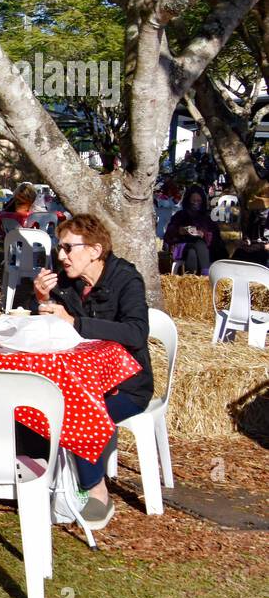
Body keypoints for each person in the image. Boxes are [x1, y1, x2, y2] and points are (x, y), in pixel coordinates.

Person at [26, 214, 152, 530]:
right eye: (60, 248)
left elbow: (136, 333)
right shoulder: (67, 283)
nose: (60, 256)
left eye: (69, 248)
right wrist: (41, 299)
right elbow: (45, 330)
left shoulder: (126, 279)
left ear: (94, 250)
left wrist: (75, 322)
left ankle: (96, 491)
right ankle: (38, 480)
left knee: (76, 412)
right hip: (77, 382)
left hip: (126, 385)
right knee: (36, 404)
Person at [163, 185, 226, 275]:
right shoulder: (180, 215)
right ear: (188, 201)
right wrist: (180, 230)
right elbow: (168, 236)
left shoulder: (207, 218)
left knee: (193, 250)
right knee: (196, 245)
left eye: (198, 201)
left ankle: (191, 280)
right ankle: (205, 274)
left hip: (203, 249)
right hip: (183, 247)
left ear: (202, 201)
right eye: (193, 201)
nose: (196, 203)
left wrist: (204, 234)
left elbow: (216, 238)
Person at [233, 181, 269, 266]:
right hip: (254, 250)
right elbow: (250, 235)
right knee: (238, 256)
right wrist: (246, 241)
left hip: (265, 253)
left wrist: (262, 247)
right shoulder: (254, 214)